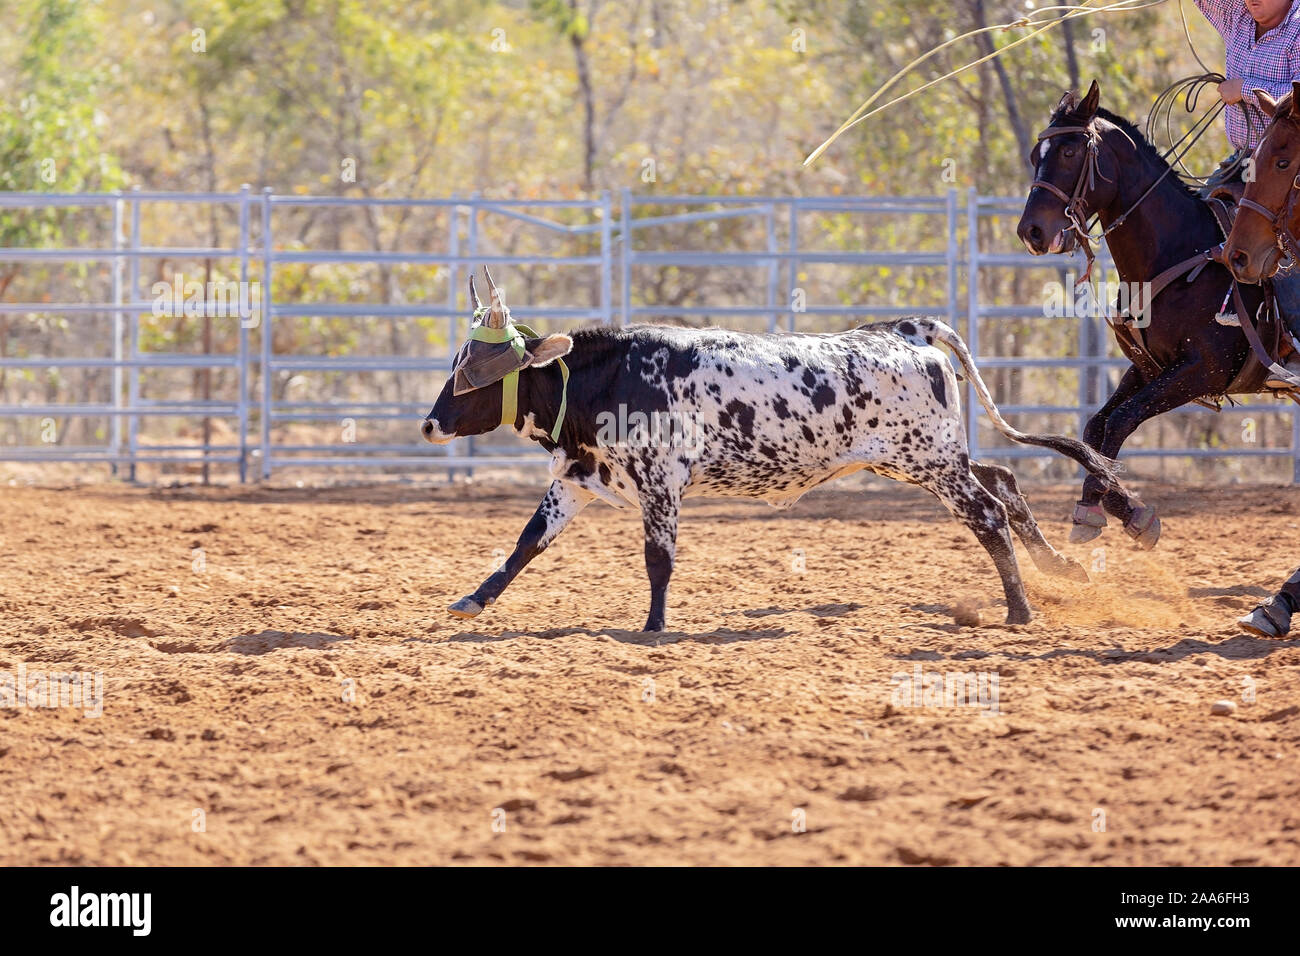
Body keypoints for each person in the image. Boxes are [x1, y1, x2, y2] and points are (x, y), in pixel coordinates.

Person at [1195, 0, 1300, 384]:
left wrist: (1246, 90)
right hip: (1246, 161)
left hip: (1289, 166)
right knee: (1198, 217)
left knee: (1282, 238)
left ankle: (1296, 345)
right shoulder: (1238, 15)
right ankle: (1205, 332)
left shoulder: (1298, 28)